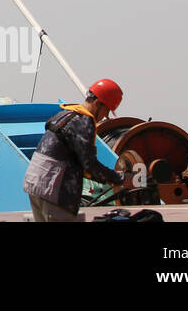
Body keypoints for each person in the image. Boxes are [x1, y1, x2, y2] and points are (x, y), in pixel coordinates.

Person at [23, 78, 127, 222]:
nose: (105, 117)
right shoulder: (84, 121)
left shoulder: (65, 114)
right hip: (54, 187)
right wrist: (118, 178)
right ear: (97, 104)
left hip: (36, 182)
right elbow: (89, 164)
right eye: (106, 111)